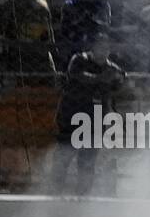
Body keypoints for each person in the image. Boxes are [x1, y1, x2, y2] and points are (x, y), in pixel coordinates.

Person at [53, 33, 125, 196]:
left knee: (87, 162)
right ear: (92, 47)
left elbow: (119, 81)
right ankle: (55, 196)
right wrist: (101, 78)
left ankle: (82, 196)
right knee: (63, 158)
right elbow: (78, 76)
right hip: (72, 117)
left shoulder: (112, 68)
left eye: (106, 47)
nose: (103, 50)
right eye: (99, 46)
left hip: (94, 122)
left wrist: (113, 78)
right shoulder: (80, 60)